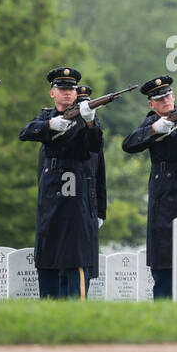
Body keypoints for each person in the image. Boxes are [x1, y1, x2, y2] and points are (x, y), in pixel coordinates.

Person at [121, 75, 177, 300]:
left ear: (174, 96)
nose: (166, 101)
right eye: (159, 99)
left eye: (168, 96)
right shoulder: (151, 121)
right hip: (161, 192)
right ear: (151, 104)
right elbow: (129, 144)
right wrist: (154, 129)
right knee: (162, 254)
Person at [19, 66, 103, 299]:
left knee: (75, 249)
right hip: (50, 190)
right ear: (52, 93)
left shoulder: (85, 118)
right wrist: (49, 125)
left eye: (71, 90)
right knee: (48, 246)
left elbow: (96, 146)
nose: (67, 93)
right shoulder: (46, 117)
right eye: (62, 89)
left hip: (76, 191)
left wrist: (90, 123)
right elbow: (25, 132)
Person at [76, 84, 107, 284]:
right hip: (71, 198)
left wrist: (101, 212)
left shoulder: (93, 133)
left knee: (86, 262)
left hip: (90, 202)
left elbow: (100, 175)